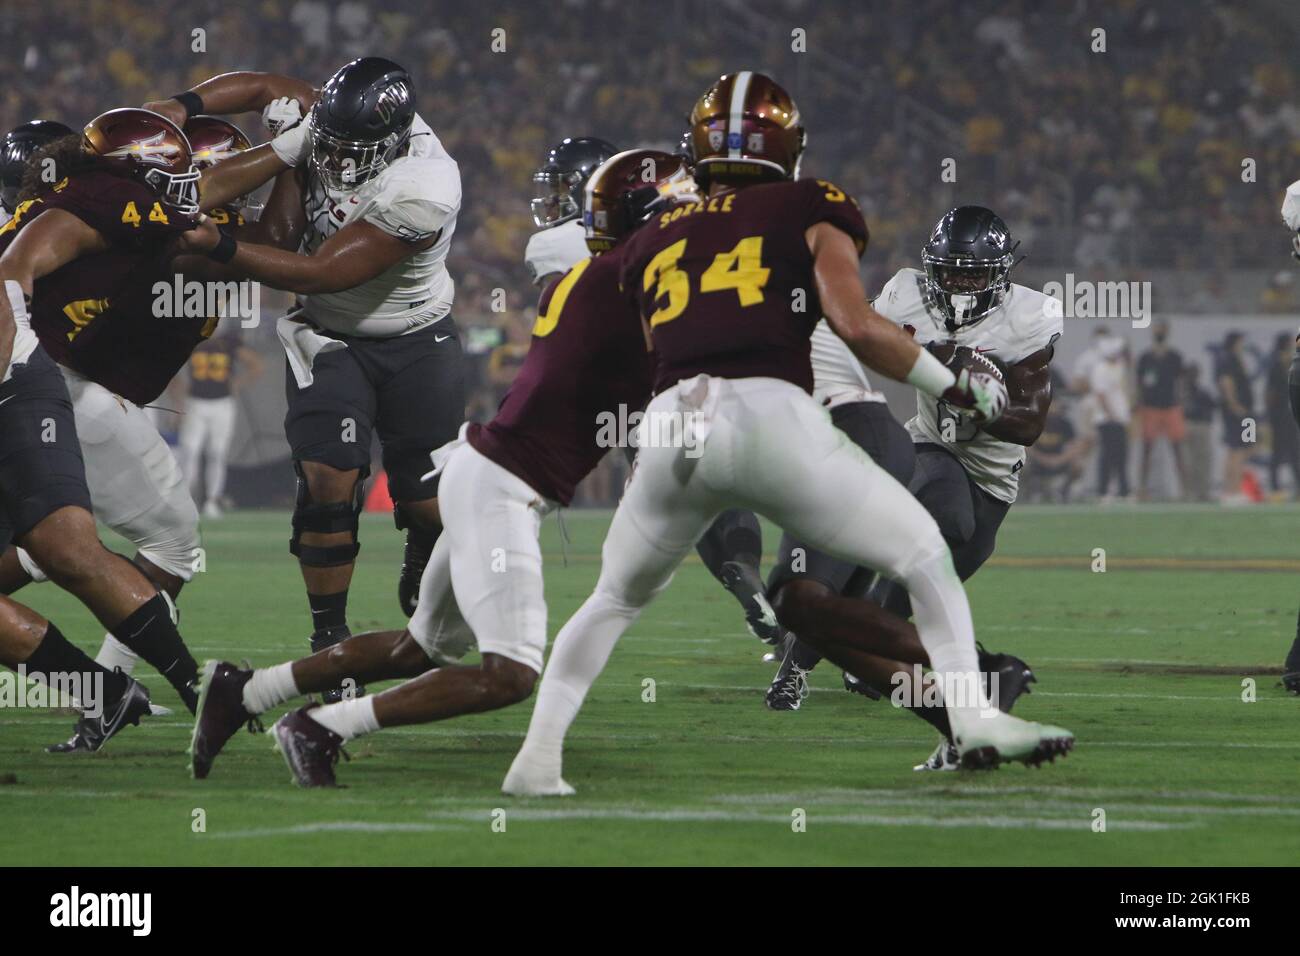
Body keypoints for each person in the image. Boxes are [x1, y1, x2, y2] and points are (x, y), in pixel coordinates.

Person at [505, 72, 1073, 797]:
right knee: (924, 554)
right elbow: (858, 326)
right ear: (791, 150)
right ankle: (975, 711)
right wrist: (955, 385)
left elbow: (587, 364)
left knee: (612, 601)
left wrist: (533, 466)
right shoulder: (811, 203)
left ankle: (536, 761)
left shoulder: (651, 237)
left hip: (676, 426)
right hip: (779, 417)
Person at [187, 148, 687, 783]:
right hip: (503, 487)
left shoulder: (609, 276)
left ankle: (247, 691)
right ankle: (320, 726)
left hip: (484, 473)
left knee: (416, 648)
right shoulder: (615, 281)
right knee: (510, 672)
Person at [155, 58, 467, 679]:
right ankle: (330, 637)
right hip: (329, 336)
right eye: (334, 143)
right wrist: (183, 104)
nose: (343, 159)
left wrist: (219, 245)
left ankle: (422, 549)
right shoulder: (329, 111)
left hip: (416, 337)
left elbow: (328, 270)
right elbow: (259, 84)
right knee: (329, 476)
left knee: (427, 502)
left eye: (359, 149)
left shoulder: (427, 183)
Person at [763, 206, 1058, 773]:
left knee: (918, 588)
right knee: (943, 522)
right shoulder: (905, 294)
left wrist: (968, 389)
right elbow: (853, 342)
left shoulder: (1031, 314)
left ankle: (851, 655)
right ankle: (797, 667)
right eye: (950, 272)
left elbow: (1029, 423)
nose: (960, 284)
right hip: (930, 446)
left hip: (995, 476)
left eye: (973, 274)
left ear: (1000, 274)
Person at [0, 108, 218, 748]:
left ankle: (137, 691)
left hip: (47, 391)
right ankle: (172, 691)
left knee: (67, 550)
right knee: (145, 547)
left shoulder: (58, 221)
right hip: (65, 395)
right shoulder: (94, 214)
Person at [178, 330, 265, 518]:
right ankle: (184, 500)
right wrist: (179, 396)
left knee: (217, 452)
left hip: (222, 404)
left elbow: (256, 364)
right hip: (195, 402)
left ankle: (211, 500)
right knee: (190, 450)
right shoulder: (194, 336)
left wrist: (238, 383)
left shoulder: (228, 341)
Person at [1134, 320, 1186, 500]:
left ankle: (1184, 489)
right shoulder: (1145, 358)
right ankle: (1142, 489)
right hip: (1150, 408)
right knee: (1147, 450)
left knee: (1178, 449)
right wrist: (1139, 404)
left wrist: (1181, 403)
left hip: (1171, 407)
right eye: (1157, 329)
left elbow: (1181, 382)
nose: (1159, 332)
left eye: (1162, 329)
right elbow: (1139, 384)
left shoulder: (1175, 357)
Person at [1215, 331, 1255, 504]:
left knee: (1236, 450)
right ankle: (1233, 490)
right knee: (1237, 450)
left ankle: (1228, 490)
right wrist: (1234, 405)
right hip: (1235, 411)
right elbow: (1226, 382)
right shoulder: (1228, 359)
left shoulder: (1234, 359)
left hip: (1239, 410)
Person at [1090, 336, 1131, 501]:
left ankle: (1124, 490)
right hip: (1107, 419)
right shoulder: (1100, 369)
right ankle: (1103, 490)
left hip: (1120, 418)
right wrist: (1110, 414)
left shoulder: (1119, 367)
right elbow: (1101, 394)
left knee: (1121, 455)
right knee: (1108, 455)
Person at [1264, 332, 1299, 497]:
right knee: (1278, 452)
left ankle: (1297, 486)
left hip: (1290, 415)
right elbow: (1270, 394)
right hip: (1279, 416)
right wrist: (1272, 414)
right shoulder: (1276, 365)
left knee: (1293, 451)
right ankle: (1275, 487)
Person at [1181, 364, 1216, 503]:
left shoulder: (1201, 392)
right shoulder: (1184, 392)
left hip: (1198, 425)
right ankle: (1192, 492)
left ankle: (1201, 492)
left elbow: (1213, 404)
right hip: (1193, 424)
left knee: (1201, 461)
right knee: (1191, 461)